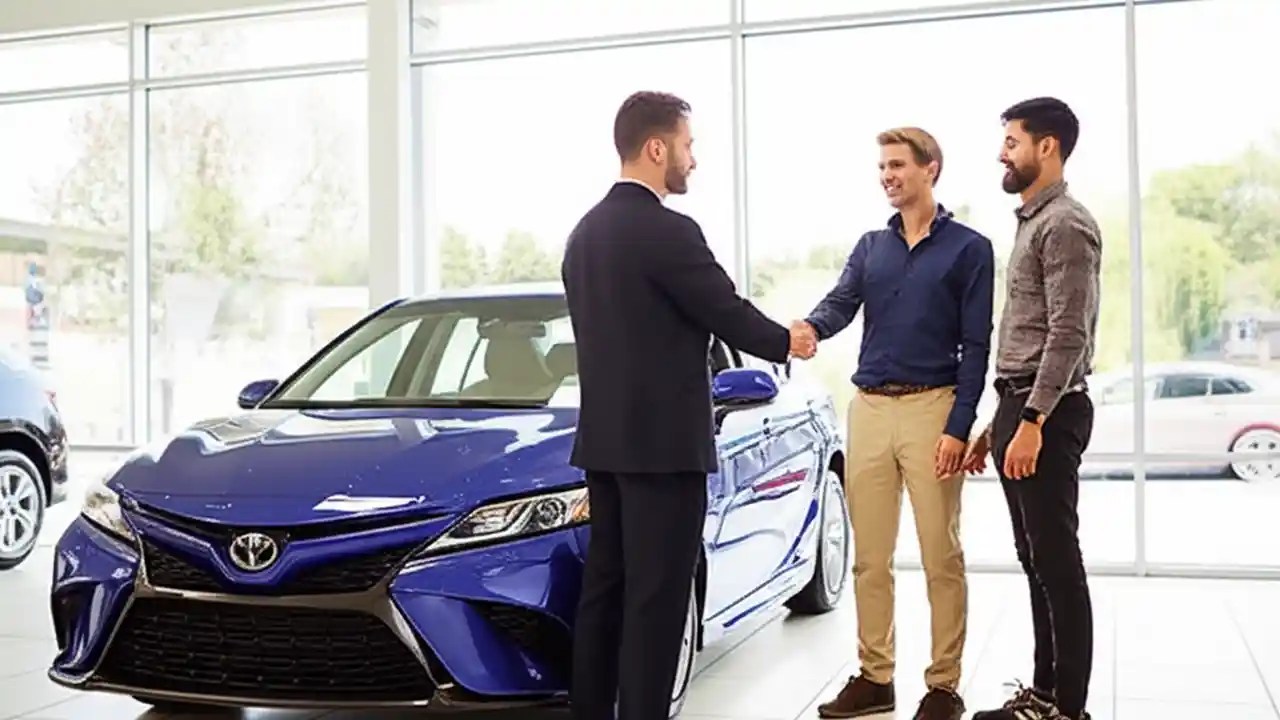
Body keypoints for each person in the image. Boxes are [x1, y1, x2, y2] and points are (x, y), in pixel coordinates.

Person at [562, 90, 813, 720]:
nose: (692, 159)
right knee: (657, 603)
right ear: (655, 148)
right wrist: (788, 340)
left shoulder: (583, 233)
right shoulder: (668, 231)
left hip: (606, 448)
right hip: (665, 451)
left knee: (605, 594)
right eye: (687, 145)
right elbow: (724, 311)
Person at [798, 127, 995, 720]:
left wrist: (960, 426)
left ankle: (943, 686)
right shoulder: (870, 247)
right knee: (869, 559)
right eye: (882, 167)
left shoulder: (969, 248)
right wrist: (807, 328)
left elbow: (977, 346)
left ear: (930, 169)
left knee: (941, 555)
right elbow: (840, 302)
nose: (887, 176)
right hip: (871, 411)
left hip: (934, 408)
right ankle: (875, 677)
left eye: (898, 165)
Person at [964, 97, 1102, 720]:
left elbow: (1068, 334)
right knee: (1036, 562)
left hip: (1047, 414)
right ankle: (1043, 698)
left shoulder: (1065, 224)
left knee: (1057, 565)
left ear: (1048, 147)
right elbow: (1028, 336)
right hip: (1019, 408)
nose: (1002, 152)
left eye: (1012, 141)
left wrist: (1034, 421)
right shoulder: (1032, 222)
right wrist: (1001, 421)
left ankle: (1067, 709)